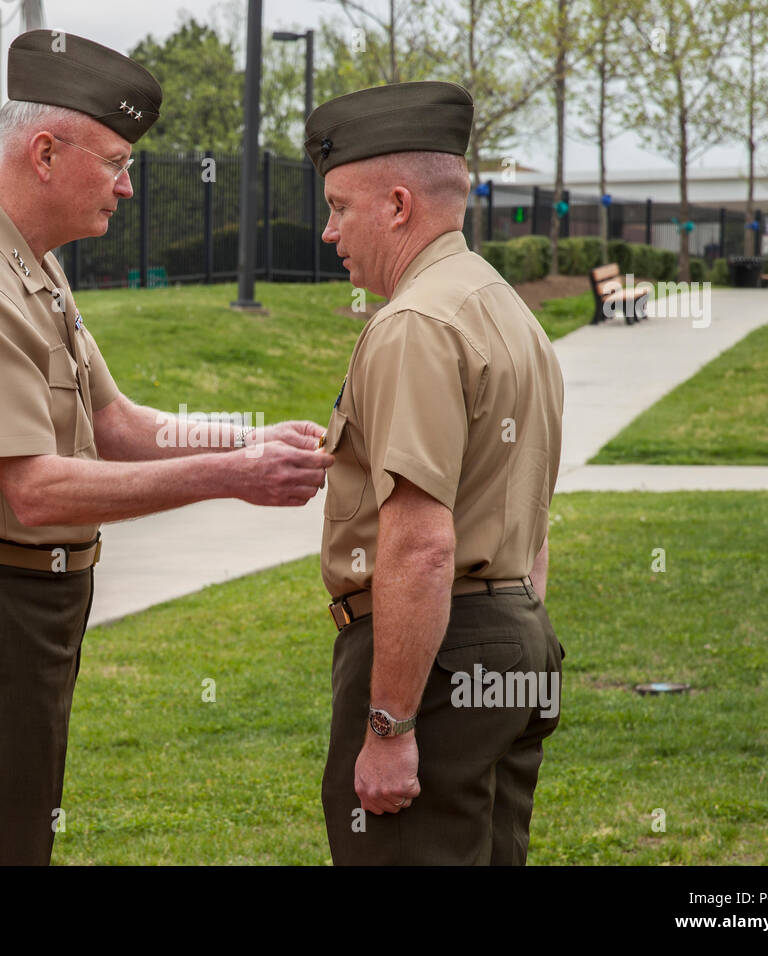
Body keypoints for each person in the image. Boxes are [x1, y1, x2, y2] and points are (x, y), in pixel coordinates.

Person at [0, 29, 332, 866]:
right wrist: (231, 475)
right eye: (116, 161)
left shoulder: (27, 262)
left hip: (12, 606)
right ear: (45, 151)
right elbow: (37, 492)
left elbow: (113, 421)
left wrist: (248, 438)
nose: (127, 186)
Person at [303, 81, 566, 865]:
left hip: (439, 655)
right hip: (513, 632)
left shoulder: (416, 323)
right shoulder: (505, 308)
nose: (327, 232)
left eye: (339, 208)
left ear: (395, 204)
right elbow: (533, 510)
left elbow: (420, 544)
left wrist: (390, 727)